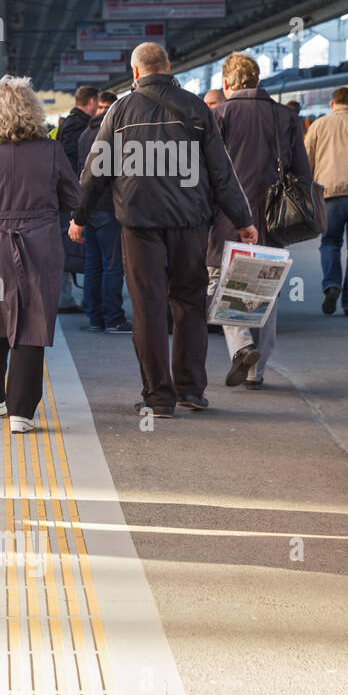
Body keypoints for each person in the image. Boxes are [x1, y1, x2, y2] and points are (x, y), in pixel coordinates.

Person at [70, 42, 257, 418]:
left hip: (139, 225)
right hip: (190, 222)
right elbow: (221, 171)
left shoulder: (120, 109)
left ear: (136, 72)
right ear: (168, 67)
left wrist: (80, 217)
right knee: (189, 301)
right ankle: (191, 390)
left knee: (148, 307)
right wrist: (243, 219)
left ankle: (158, 397)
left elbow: (96, 171)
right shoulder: (195, 106)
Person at [0, 76, 81, 434]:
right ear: (35, 113)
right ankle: (22, 412)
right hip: (39, 248)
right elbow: (75, 199)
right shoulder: (52, 152)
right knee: (31, 323)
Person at [209, 52, 314, 389]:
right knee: (265, 288)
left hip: (228, 215)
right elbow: (302, 173)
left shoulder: (219, 114)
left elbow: (205, 171)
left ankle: (242, 346)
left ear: (226, 84)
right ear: (256, 81)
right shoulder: (284, 115)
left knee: (227, 283)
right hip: (272, 217)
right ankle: (258, 371)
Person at [75, 91, 132, 334]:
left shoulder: (85, 134)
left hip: (88, 209)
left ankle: (95, 318)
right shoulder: (116, 135)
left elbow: (82, 173)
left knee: (93, 265)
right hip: (110, 208)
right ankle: (113, 318)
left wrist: (80, 213)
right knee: (112, 266)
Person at [303, 85, 348, 316]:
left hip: (329, 194)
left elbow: (306, 158)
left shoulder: (320, 124)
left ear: (332, 105)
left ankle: (332, 285)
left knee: (330, 242)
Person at [57, 86, 100, 311]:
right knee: (71, 245)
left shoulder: (68, 123)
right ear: (92, 102)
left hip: (67, 193)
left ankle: (69, 297)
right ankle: (65, 298)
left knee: (68, 245)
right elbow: (77, 163)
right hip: (73, 195)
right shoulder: (78, 125)